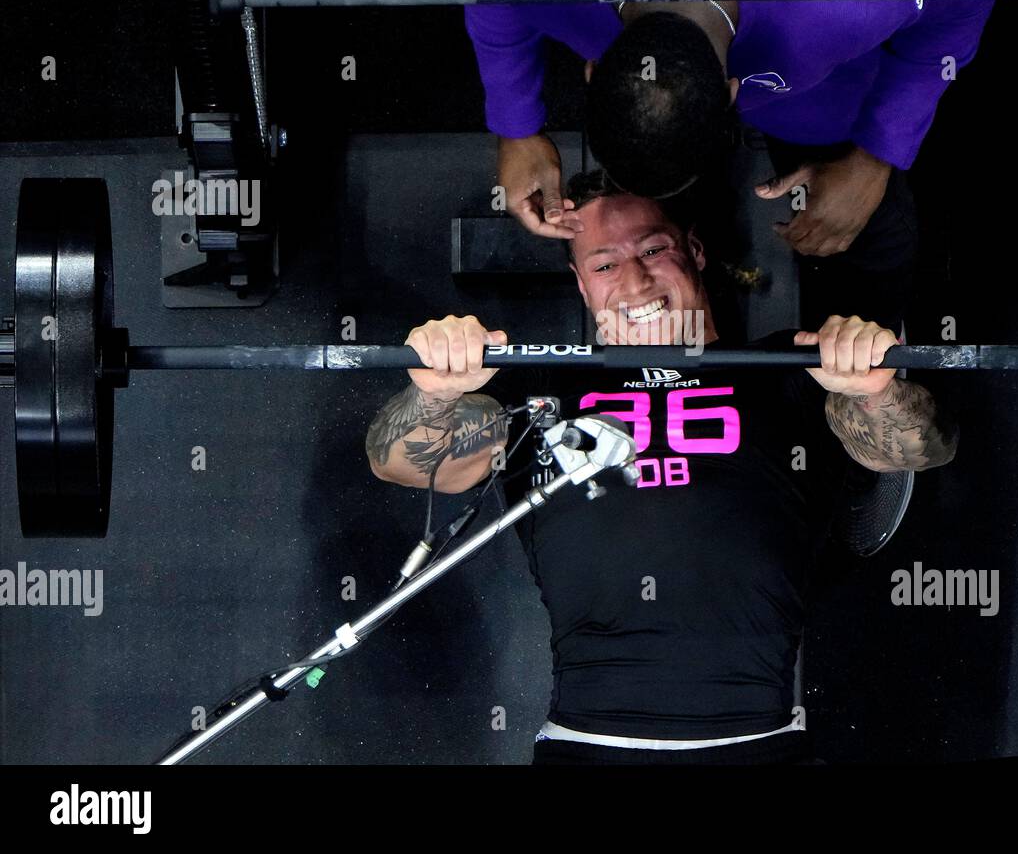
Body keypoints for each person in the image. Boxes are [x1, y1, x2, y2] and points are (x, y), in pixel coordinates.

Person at [364, 176, 958, 764]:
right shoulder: (540, 384)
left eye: (652, 249)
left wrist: (876, 392)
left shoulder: (792, 366)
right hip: (586, 748)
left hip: (760, 746)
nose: (635, 280)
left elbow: (915, 451)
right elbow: (400, 464)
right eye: (604, 265)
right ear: (579, 283)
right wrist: (436, 394)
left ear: (694, 251)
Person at [448, 0, 1006, 330]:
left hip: (821, 94)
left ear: (738, 96)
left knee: (878, 234)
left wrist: (876, 155)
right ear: (593, 73)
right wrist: (515, 126)